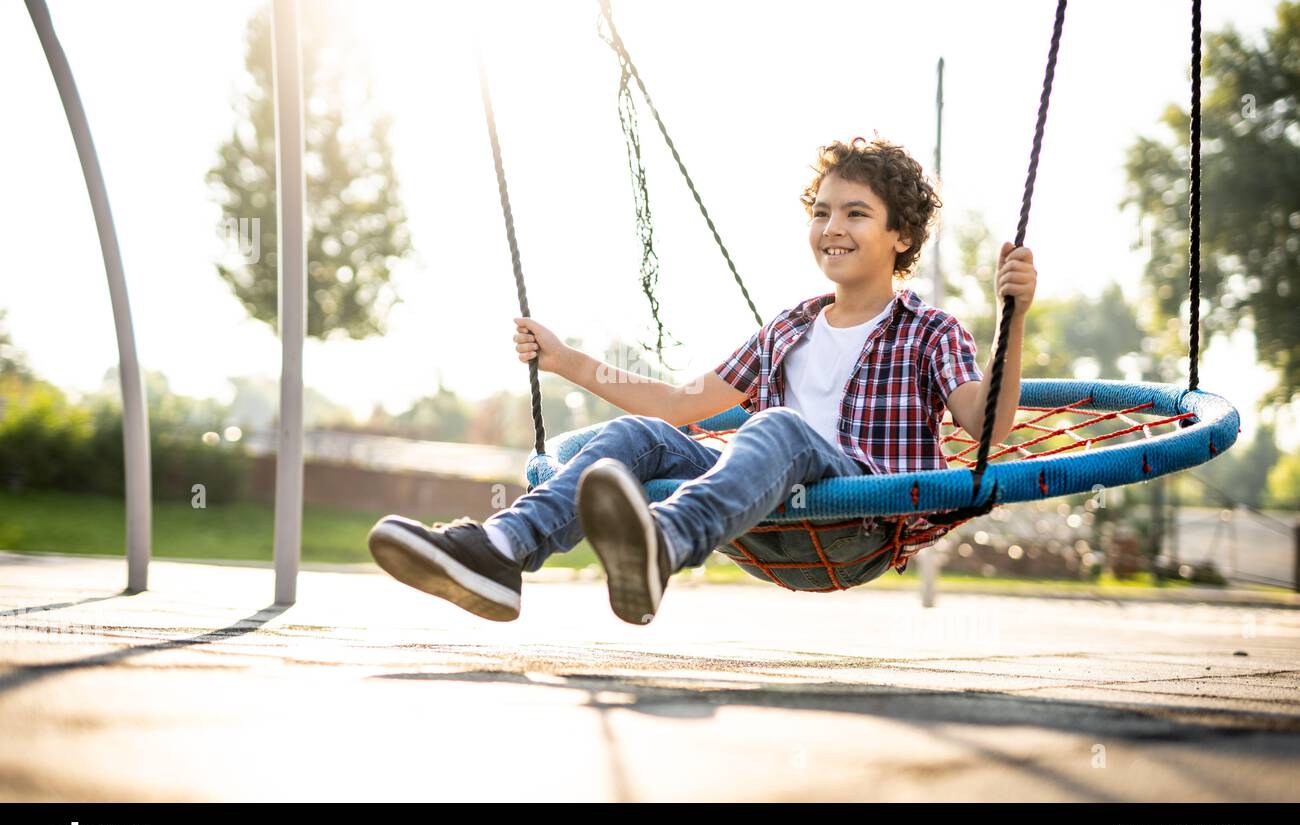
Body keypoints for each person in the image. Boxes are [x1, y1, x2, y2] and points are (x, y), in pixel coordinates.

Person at [367, 137, 1037, 625]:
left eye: (856, 214)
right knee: (642, 434)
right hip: (759, 520)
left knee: (779, 426)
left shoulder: (930, 330)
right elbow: (678, 404)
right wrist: (567, 359)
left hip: (854, 524)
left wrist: (1014, 316)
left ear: (901, 235)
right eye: (823, 212)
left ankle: (662, 544)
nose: (832, 228)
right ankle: (500, 551)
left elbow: (989, 428)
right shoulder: (789, 329)